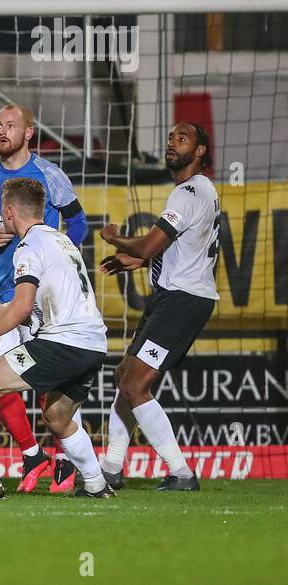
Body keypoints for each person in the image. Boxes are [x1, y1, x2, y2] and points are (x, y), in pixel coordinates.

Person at [0, 178, 113, 500]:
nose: (0, 213)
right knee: (57, 417)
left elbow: (25, 303)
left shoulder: (28, 246)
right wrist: (7, 310)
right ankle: (96, 484)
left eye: (1, 207)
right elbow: (46, 306)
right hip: (93, 345)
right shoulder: (62, 241)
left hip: (63, 344)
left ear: (10, 211)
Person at [0, 103, 90, 492]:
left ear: (29, 133)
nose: (2, 132)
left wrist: (59, 257)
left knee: (51, 392)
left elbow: (81, 222)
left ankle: (66, 464)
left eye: (10, 126)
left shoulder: (51, 176)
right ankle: (26, 456)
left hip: (42, 305)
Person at [98, 121, 220, 491]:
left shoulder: (188, 192)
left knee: (135, 385)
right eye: (170, 137)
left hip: (183, 302)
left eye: (182, 139)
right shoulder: (201, 191)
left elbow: (151, 245)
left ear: (199, 152)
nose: (172, 143)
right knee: (125, 377)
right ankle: (111, 467)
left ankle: (181, 472)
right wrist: (137, 261)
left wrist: (116, 238)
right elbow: (180, 250)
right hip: (173, 296)